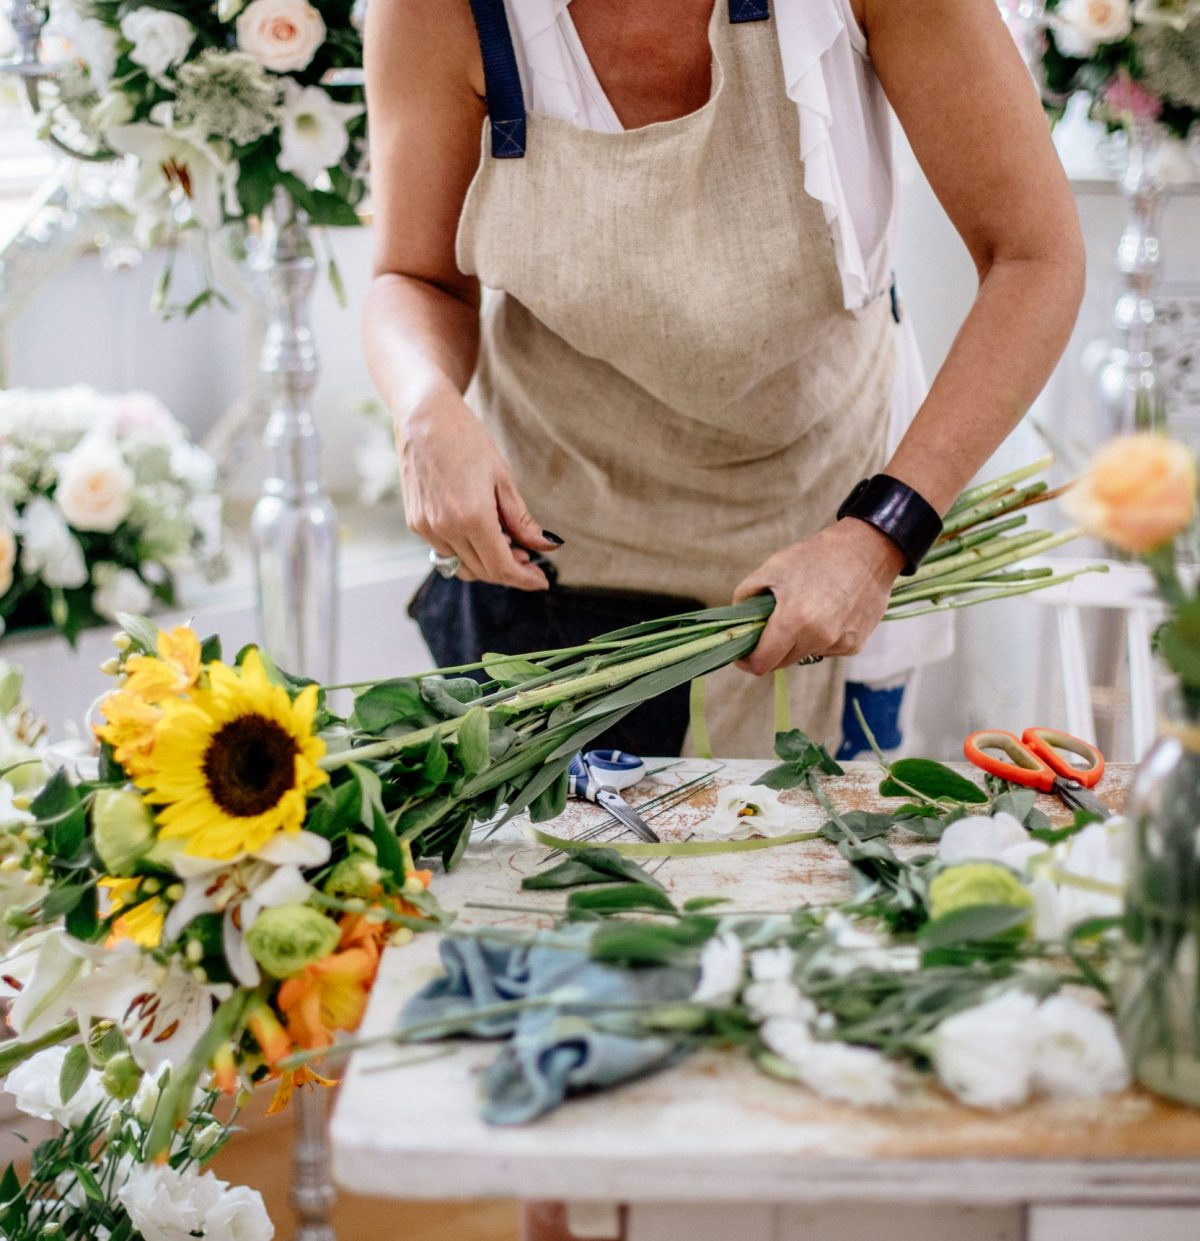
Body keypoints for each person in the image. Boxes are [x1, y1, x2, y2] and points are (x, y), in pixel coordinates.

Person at [363, 0, 1084, 762]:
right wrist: (424, 404)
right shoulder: (436, 10)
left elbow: (1033, 257)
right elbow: (415, 276)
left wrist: (880, 536)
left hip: (826, 534)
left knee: (812, 836)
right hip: (553, 549)